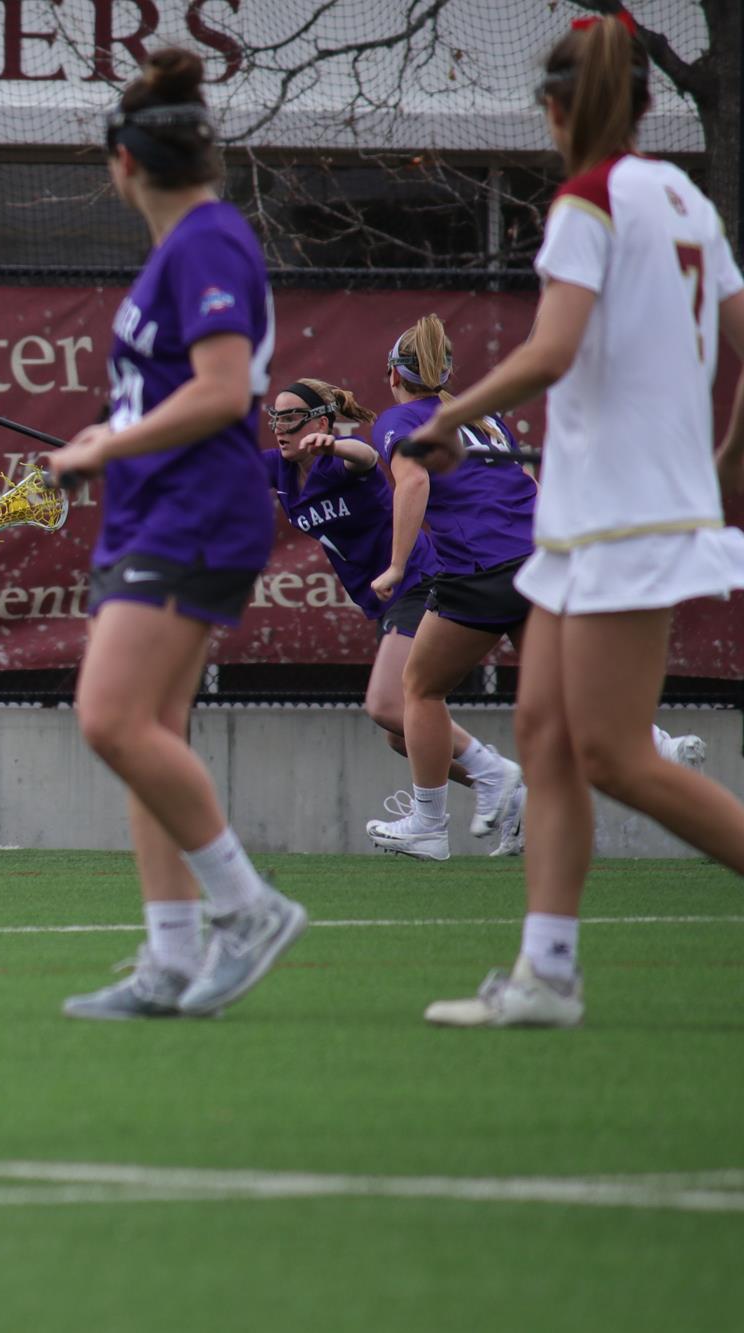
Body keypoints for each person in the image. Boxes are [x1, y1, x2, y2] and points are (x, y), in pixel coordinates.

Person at [406, 13, 744, 1027]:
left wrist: (446, 420)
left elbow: (551, 351)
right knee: (545, 734)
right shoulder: (680, 193)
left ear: (553, 110)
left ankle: (546, 975)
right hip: (595, 513)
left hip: (616, 514)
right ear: (645, 104)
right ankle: (543, 975)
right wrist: (721, 466)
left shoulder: (583, 201)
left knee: (610, 752)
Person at [44, 48, 306, 1021]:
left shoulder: (203, 244)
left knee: (109, 720)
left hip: (193, 513)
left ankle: (246, 908)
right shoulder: (185, 246)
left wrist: (105, 445)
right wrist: (103, 441)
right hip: (156, 510)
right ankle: (168, 958)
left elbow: (221, 390)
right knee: (145, 735)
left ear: (121, 166)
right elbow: (169, 396)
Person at [264, 379, 528, 848]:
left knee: (388, 704)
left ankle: (494, 774)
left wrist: (336, 444)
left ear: (320, 422)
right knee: (402, 735)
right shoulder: (282, 470)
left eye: (290, 418)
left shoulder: (345, 461)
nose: (279, 428)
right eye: (275, 418)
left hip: (419, 579)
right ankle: (511, 797)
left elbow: (364, 456)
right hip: (388, 597)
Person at [364, 315, 540, 860]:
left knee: (418, 690)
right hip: (537, 554)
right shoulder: (482, 417)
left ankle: (429, 824)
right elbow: (528, 482)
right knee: (561, 687)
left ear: (396, 374)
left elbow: (413, 479)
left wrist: (396, 566)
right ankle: (657, 744)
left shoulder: (400, 418)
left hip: (479, 565)